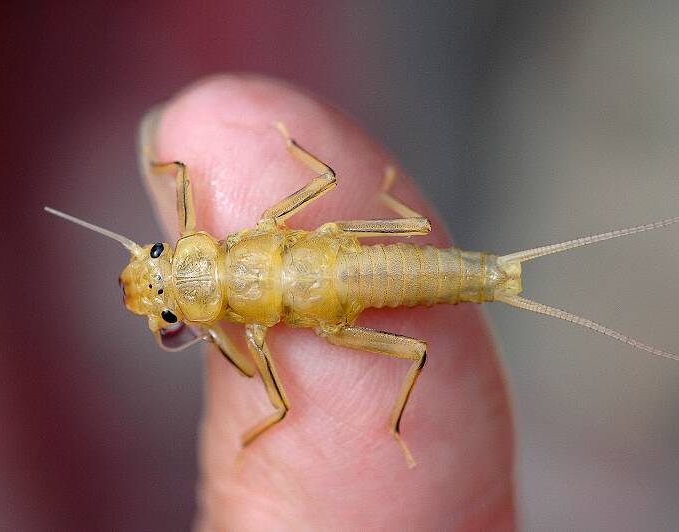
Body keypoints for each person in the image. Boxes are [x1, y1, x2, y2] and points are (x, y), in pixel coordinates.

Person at [142, 74, 515, 531]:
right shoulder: (262, 232)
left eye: (159, 254)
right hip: (357, 263)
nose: (161, 261)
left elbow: (267, 393)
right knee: (413, 234)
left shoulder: (251, 335)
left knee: (414, 353)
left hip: (346, 292)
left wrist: (217, 342)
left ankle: (486, 287)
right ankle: (490, 279)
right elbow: (322, 177)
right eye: (171, 313)